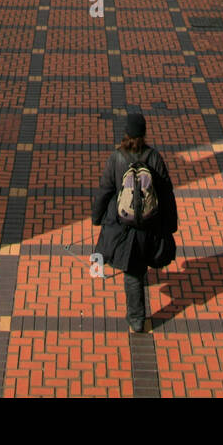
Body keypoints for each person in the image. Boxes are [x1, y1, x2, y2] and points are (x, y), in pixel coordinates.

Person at [92, 110, 178, 333]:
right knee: (140, 266)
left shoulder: (117, 158)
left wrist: (97, 216)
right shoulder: (153, 157)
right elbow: (166, 193)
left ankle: (137, 319)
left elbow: (105, 190)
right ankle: (138, 315)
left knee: (133, 273)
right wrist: (170, 224)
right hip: (150, 225)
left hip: (124, 225)